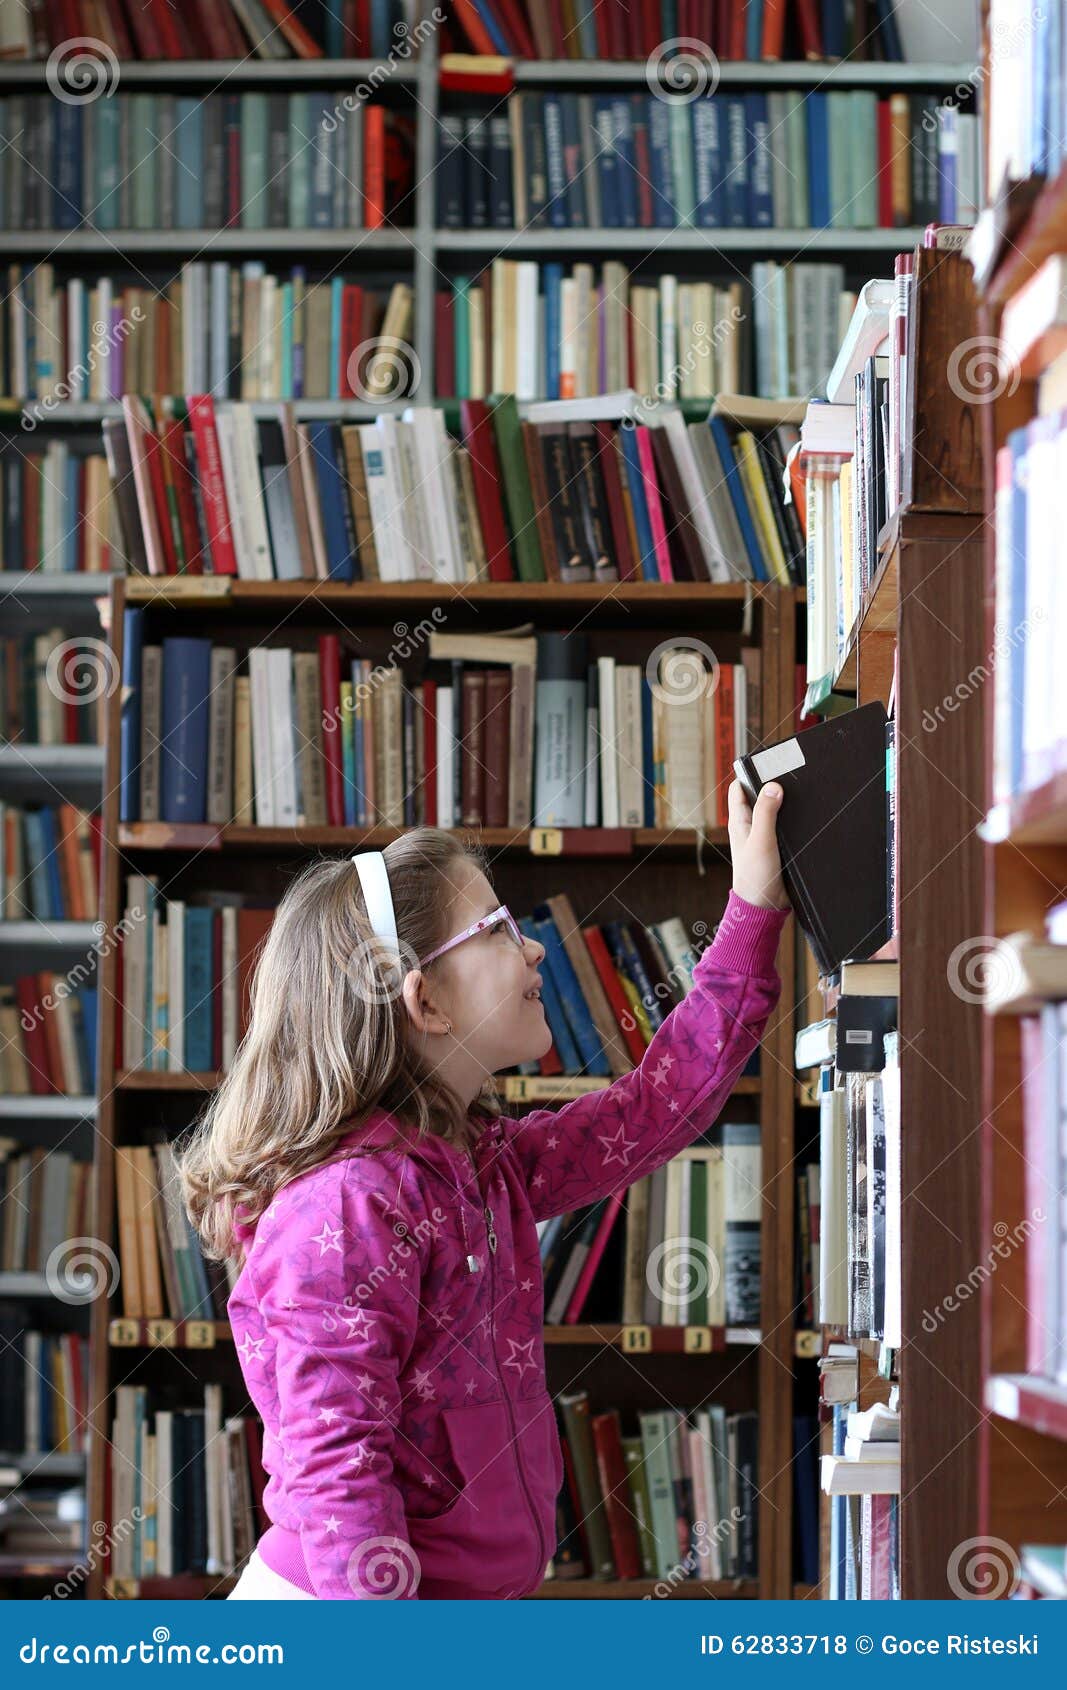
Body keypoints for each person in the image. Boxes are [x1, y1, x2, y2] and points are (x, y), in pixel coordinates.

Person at [176, 779, 790, 1599]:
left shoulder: (481, 1164)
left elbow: (656, 1108)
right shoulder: (347, 1204)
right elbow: (338, 1477)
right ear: (423, 1000)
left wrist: (751, 909)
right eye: (499, 930)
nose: (535, 947)